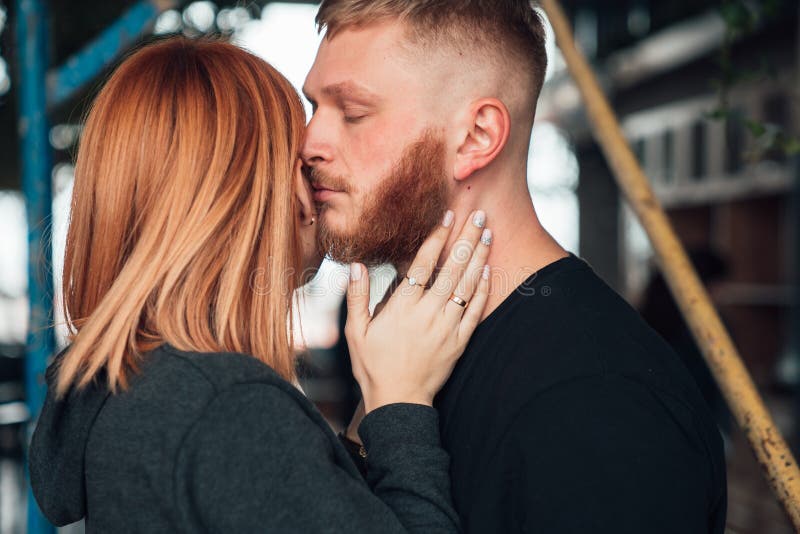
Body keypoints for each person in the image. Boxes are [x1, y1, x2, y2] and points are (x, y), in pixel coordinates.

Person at [29, 36, 495, 532]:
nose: (318, 173)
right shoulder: (228, 410)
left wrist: (375, 403)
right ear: (259, 191)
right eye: (300, 160)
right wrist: (404, 403)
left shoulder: (137, 389)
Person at [302, 1, 727, 532]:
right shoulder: (404, 356)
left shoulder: (598, 404)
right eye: (313, 107)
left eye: (353, 112)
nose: (309, 143)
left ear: (476, 137)